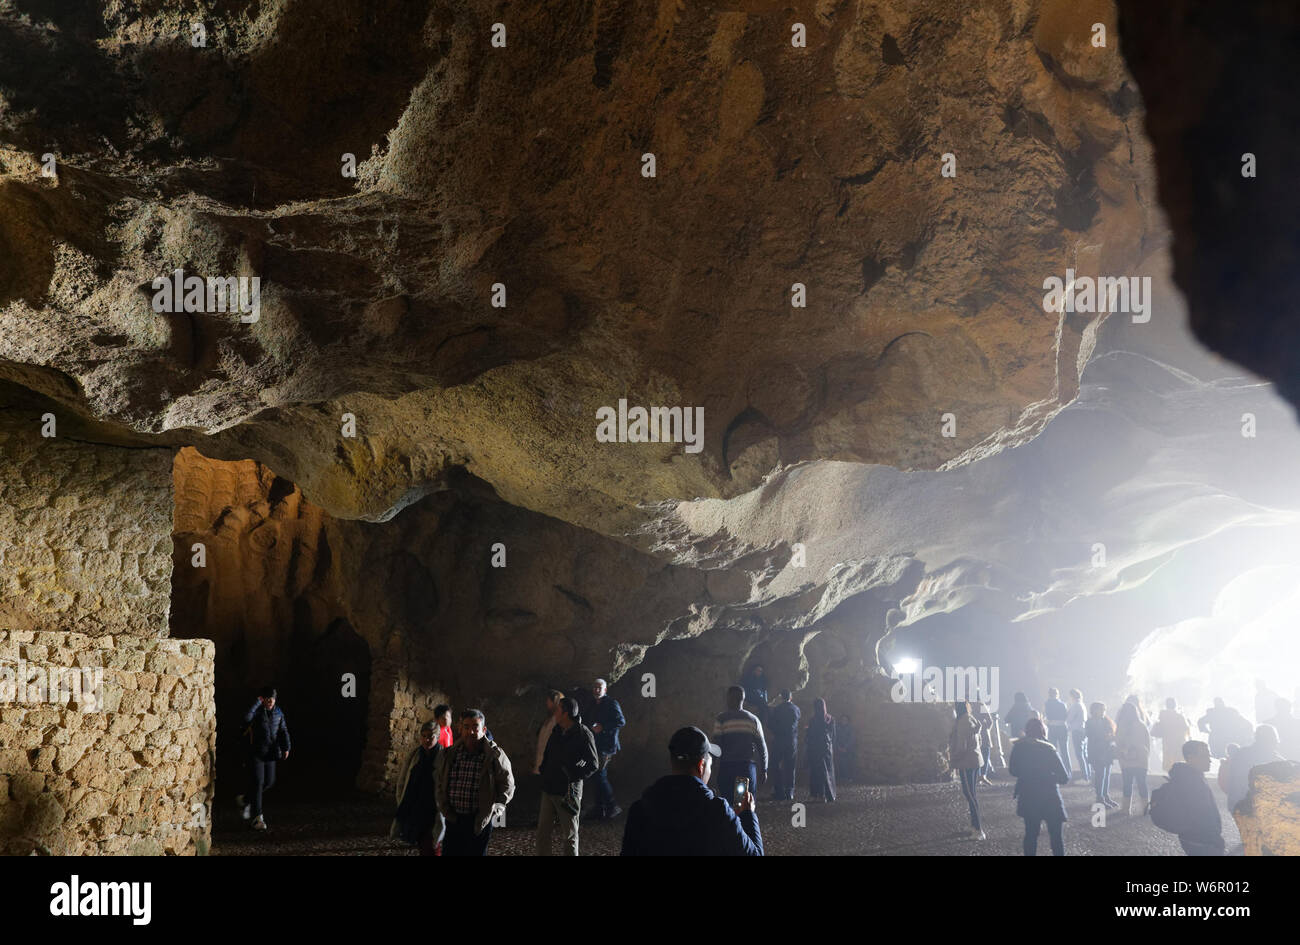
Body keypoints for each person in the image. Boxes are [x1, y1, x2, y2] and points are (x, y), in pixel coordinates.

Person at [620, 726, 762, 856]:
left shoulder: (639, 810)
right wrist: (748, 815)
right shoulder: (718, 812)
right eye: (709, 765)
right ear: (701, 765)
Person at [435, 709, 515, 855]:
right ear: (460, 728)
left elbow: (507, 783)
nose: (470, 732)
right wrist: (443, 804)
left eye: (475, 727)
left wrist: (496, 809)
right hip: (454, 818)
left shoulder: (494, 755)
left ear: (483, 729)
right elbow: (440, 780)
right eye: (466, 727)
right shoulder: (450, 754)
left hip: (478, 820)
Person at [537, 696, 598, 856]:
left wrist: (572, 774)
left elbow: (592, 763)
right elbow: (548, 754)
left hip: (568, 792)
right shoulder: (556, 731)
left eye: (558, 709)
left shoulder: (583, 734)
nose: (554, 712)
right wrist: (544, 771)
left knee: (569, 835)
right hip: (549, 788)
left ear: (565, 713)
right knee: (543, 832)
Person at [1150, 740, 1223, 856]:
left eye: (1209, 755)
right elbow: (1202, 816)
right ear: (1191, 758)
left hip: (1192, 838)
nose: (1209, 760)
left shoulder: (1189, 776)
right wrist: (1215, 840)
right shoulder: (1191, 782)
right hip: (1202, 841)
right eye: (1204, 756)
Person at [1009, 717, 1069, 855]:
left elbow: (1013, 770)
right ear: (1043, 731)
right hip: (1050, 797)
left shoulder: (1019, 747)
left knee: (1030, 835)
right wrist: (1047, 777)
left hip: (1028, 795)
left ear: (1026, 731)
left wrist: (1028, 774)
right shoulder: (1049, 748)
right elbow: (1064, 777)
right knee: (1056, 837)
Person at [237, 686, 290, 831]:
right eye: (267, 698)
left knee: (269, 782)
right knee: (259, 782)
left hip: (271, 753)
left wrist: (286, 747)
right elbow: (246, 718)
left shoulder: (278, 713)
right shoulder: (257, 712)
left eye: (272, 698)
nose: (270, 701)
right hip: (256, 753)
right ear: (263, 699)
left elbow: (283, 730)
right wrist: (256, 704)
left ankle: (245, 799)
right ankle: (257, 817)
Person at [391, 720, 445, 855]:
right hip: (416, 806)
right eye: (424, 736)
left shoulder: (443, 757)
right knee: (422, 842)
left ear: (437, 737)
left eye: (431, 736)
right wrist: (401, 799)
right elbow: (403, 779)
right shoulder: (415, 755)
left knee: (432, 843)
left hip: (432, 808)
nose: (427, 740)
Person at [712, 686, 769, 806]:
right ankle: (744, 824)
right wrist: (764, 769)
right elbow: (762, 747)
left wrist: (711, 766)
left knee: (727, 805)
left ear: (729, 698)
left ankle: (730, 824)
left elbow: (716, 745)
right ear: (743, 699)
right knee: (743, 805)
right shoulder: (753, 720)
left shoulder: (721, 719)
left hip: (727, 768)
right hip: (746, 769)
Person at [587, 677, 626, 820]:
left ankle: (612, 805)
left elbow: (621, 721)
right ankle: (600, 808)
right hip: (596, 745)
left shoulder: (611, 704)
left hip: (607, 746)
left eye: (599, 688)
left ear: (605, 689)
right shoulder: (592, 704)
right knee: (596, 775)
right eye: (595, 687)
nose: (597, 690)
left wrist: (603, 727)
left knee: (600, 776)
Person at [1225, 724, 1284, 811]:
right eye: (1275, 740)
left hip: (1241, 805)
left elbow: (1233, 782)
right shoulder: (1275, 760)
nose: (1277, 743)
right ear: (1271, 740)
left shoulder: (1241, 754)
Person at [950, 701, 985, 840]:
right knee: (972, 794)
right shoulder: (972, 719)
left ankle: (978, 829)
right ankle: (974, 825)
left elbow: (961, 747)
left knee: (970, 795)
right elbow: (980, 741)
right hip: (975, 759)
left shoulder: (962, 723)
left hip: (966, 762)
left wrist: (954, 761)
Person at [1115, 700, 1151, 815]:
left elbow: (1118, 742)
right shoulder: (1141, 724)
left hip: (1126, 759)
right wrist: (1146, 754)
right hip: (1141, 758)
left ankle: (1126, 809)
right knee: (1142, 783)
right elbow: (1147, 741)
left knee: (1127, 784)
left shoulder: (1121, 726)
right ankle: (1145, 808)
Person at [768, 689, 800, 801]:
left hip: (779, 740)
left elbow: (770, 724)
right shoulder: (796, 709)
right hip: (791, 741)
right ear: (791, 698)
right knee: (790, 766)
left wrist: (776, 732)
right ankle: (790, 791)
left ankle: (779, 791)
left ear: (781, 698)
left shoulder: (777, 710)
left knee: (775, 765)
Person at [1085, 701, 1118, 809]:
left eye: (1104, 710)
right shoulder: (1089, 722)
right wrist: (1105, 737)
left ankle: (1105, 796)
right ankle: (1100, 798)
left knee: (1106, 775)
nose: (1103, 712)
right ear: (1094, 710)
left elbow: (1110, 733)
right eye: (1101, 709)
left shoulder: (1106, 721)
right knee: (1100, 775)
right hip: (1097, 752)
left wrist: (1110, 737)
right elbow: (1090, 735)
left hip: (1106, 751)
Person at [806, 697, 836, 802]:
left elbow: (810, 736)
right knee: (826, 771)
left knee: (816, 772)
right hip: (826, 749)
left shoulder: (813, 720)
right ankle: (828, 794)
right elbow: (833, 736)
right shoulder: (830, 719)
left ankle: (817, 794)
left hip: (815, 749)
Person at [1151, 698, 1191, 773]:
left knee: (1168, 761)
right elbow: (1186, 729)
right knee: (1178, 762)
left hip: (1167, 742)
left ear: (1166, 705)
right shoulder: (1179, 717)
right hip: (1178, 743)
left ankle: (1170, 775)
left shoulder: (1162, 716)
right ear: (1175, 705)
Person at [533, 689, 564, 775]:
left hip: (549, 764)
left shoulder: (558, 722)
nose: (547, 703)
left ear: (554, 702)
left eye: (549, 701)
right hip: (541, 761)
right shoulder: (548, 720)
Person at [1066, 688, 1090, 783]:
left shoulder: (1075, 705)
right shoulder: (1082, 705)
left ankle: (1085, 777)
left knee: (1079, 754)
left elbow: (1069, 719)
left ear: (1072, 696)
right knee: (1084, 754)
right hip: (1083, 731)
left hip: (1077, 731)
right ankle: (1087, 775)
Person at [1043, 687, 1070, 773]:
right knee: (1065, 751)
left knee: (1053, 750)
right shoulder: (1062, 704)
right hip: (1062, 727)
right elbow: (1066, 716)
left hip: (1052, 727)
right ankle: (1067, 771)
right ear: (1057, 694)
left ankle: (1055, 770)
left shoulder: (1047, 703)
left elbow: (1047, 715)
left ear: (1049, 694)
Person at [973, 698, 996, 784]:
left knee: (976, 755)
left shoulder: (968, 706)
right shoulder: (982, 705)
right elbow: (990, 721)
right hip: (984, 734)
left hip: (973, 734)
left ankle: (977, 776)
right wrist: (986, 730)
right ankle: (983, 776)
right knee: (985, 755)